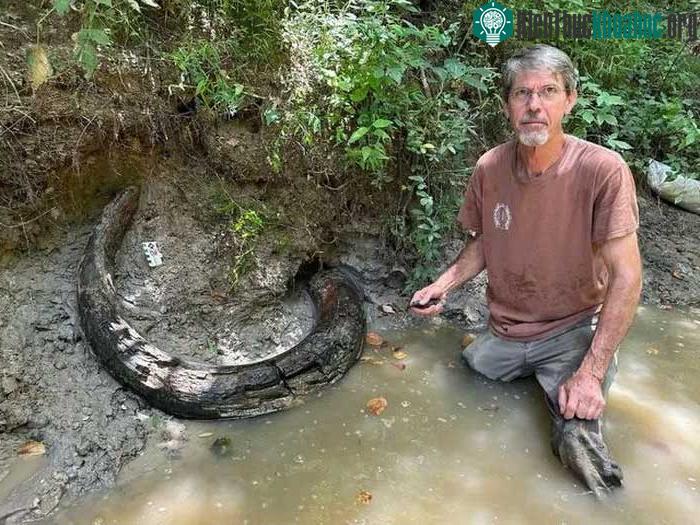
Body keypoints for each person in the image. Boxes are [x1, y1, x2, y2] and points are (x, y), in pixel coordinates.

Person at [409, 44, 642, 496]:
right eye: (522, 94)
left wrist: (591, 371)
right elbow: (481, 245)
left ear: (570, 100)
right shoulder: (490, 167)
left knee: (577, 440)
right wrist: (443, 285)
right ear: (507, 106)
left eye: (548, 91)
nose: (534, 105)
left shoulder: (603, 170)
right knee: (468, 373)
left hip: (573, 329)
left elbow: (628, 277)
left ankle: (610, 504)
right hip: (508, 331)